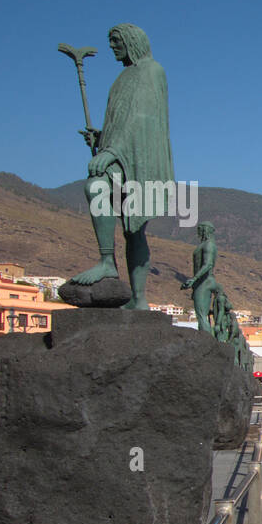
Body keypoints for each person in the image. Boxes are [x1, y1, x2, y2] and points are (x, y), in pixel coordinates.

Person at [69, 23, 174, 311]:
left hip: (140, 159)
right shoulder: (123, 77)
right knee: (132, 229)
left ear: (131, 41)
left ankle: (108, 265)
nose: (112, 47)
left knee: (98, 189)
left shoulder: (152, 70)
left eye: (116, 41)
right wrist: (102, 137)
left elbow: (144, 120)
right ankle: (136, 298)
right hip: (120, 153)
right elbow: (124, 122)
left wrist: (113, 150)